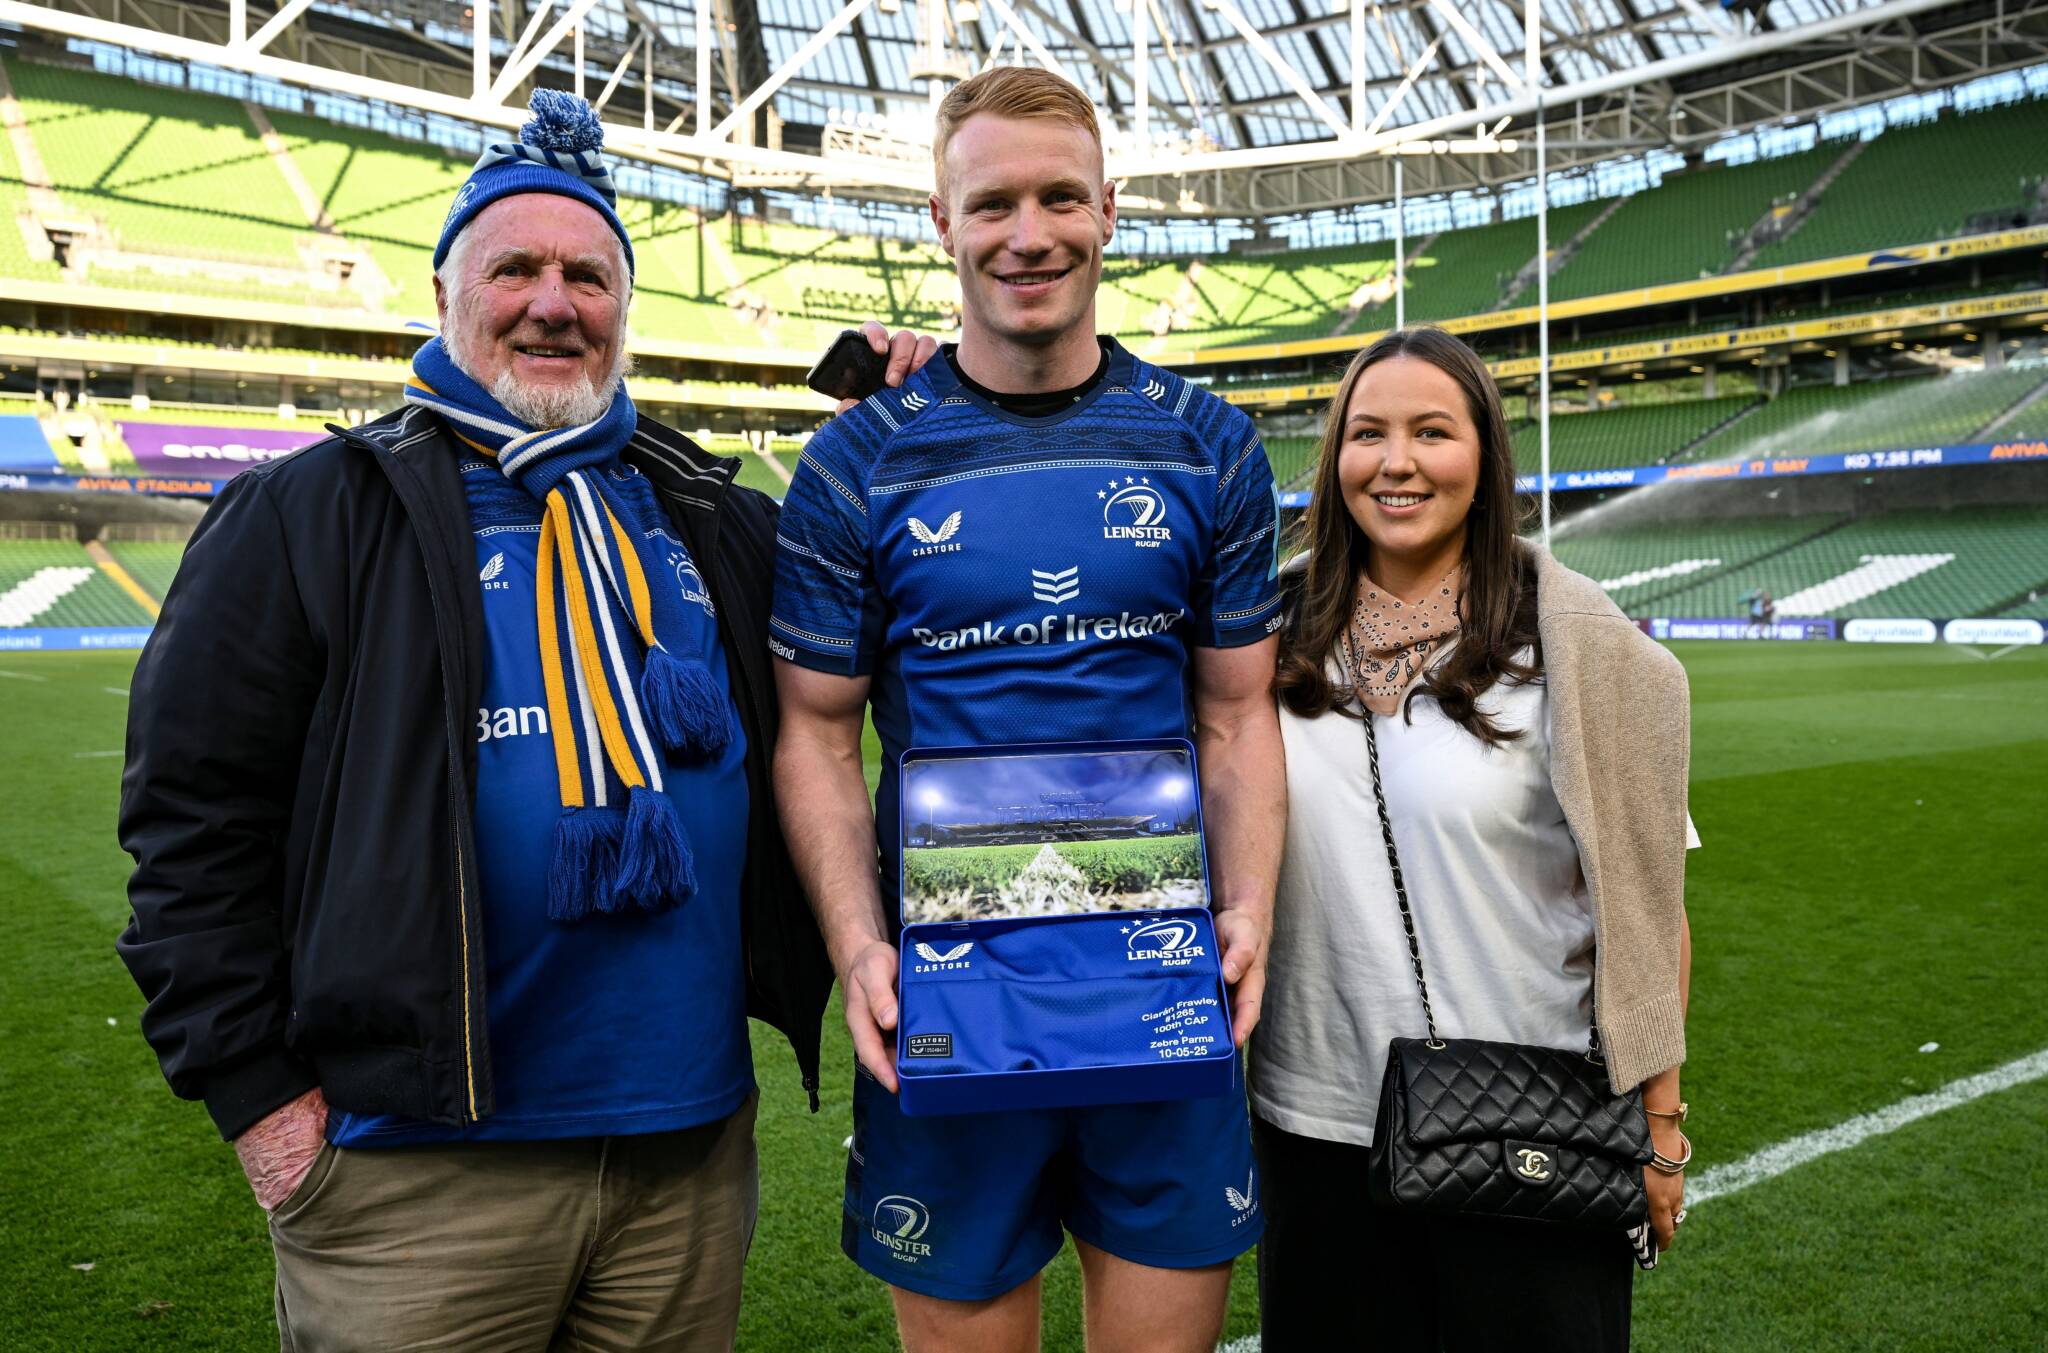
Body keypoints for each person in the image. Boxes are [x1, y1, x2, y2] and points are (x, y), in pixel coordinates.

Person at [112, 90, 898, 1350]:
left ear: (622, 312)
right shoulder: (311, 514)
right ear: (445, 297)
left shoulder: (708, 514)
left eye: (588, 275)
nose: (553, 301)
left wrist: (919, 422)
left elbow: (881, 641)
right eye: (514, 268)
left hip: (682, 1161)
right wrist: (266, 1109)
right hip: (413, 1178)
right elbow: (189, 828)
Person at [770, 67, 1286, 1353]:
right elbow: (818, 736)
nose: (1029, 232)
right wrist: (854, 950)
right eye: (991, 201)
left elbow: (1235, 716)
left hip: (1158, 983)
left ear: (1110, 210)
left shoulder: (1208, 444)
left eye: (1061, 195)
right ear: (940, 224)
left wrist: (1248, 912)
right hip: (949, 994)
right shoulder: (856, 460)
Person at [1250, 326, 1694, 1351]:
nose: (1394, 462)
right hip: (1317, 1127)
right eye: (1365, 434)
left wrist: (1657, 1128)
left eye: (1430, 433)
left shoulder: (1582, 646)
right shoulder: (1263, 632)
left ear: (1483, 456)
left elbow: (1647, 913)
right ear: (1333, 460)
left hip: (1534, 1119)